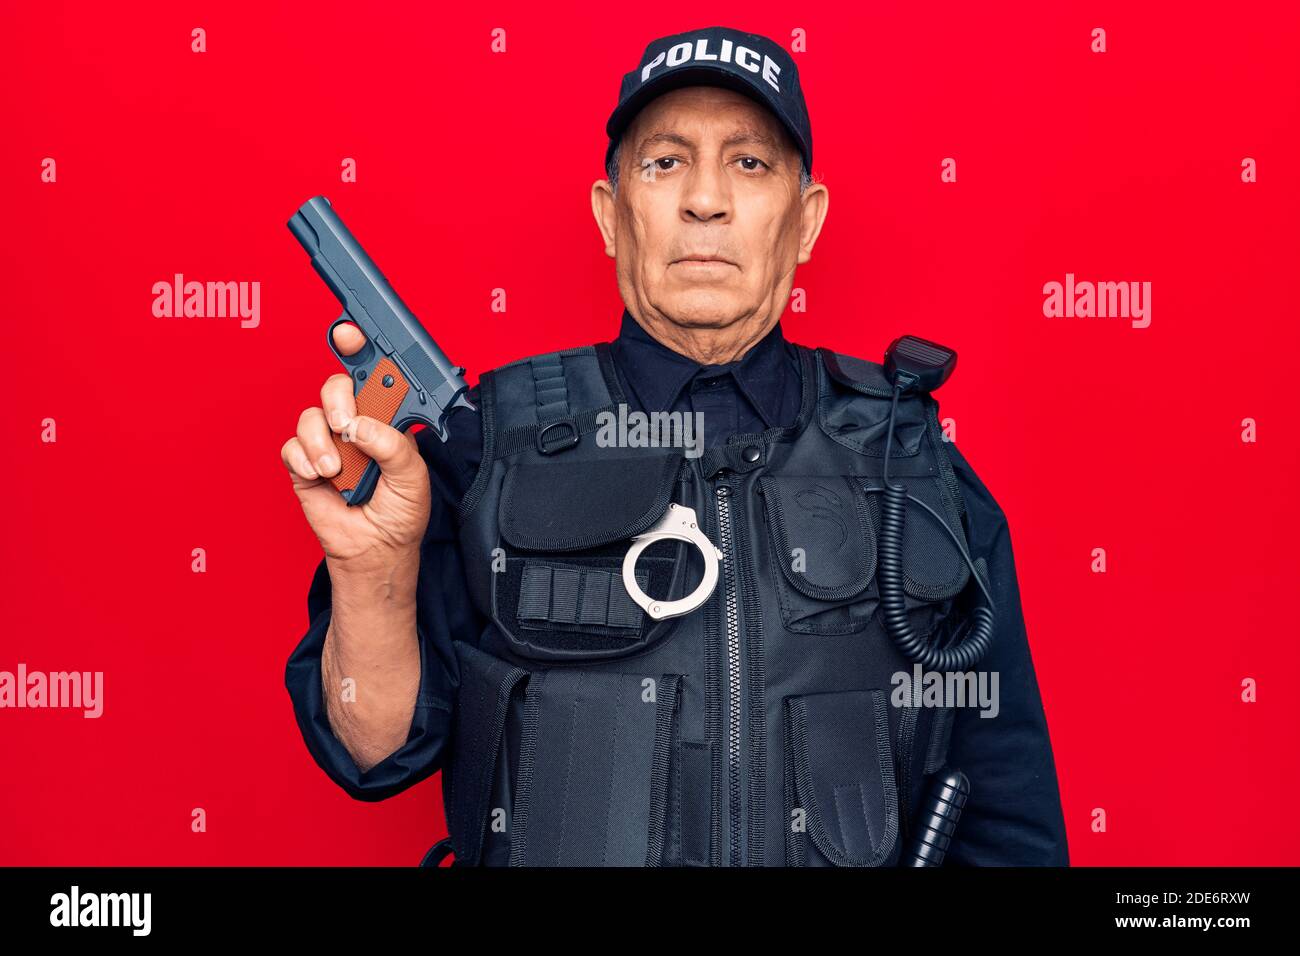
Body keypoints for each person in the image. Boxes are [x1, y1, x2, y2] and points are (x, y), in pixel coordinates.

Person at [281, 25, 1068, 866]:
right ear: (609, 215)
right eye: (665, 163)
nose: (705, 200)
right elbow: (372, 752)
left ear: (806, 223)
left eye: (749, 163)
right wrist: (372, 575)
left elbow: (1007, 813)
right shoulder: (481, 446)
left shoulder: (908, 454)